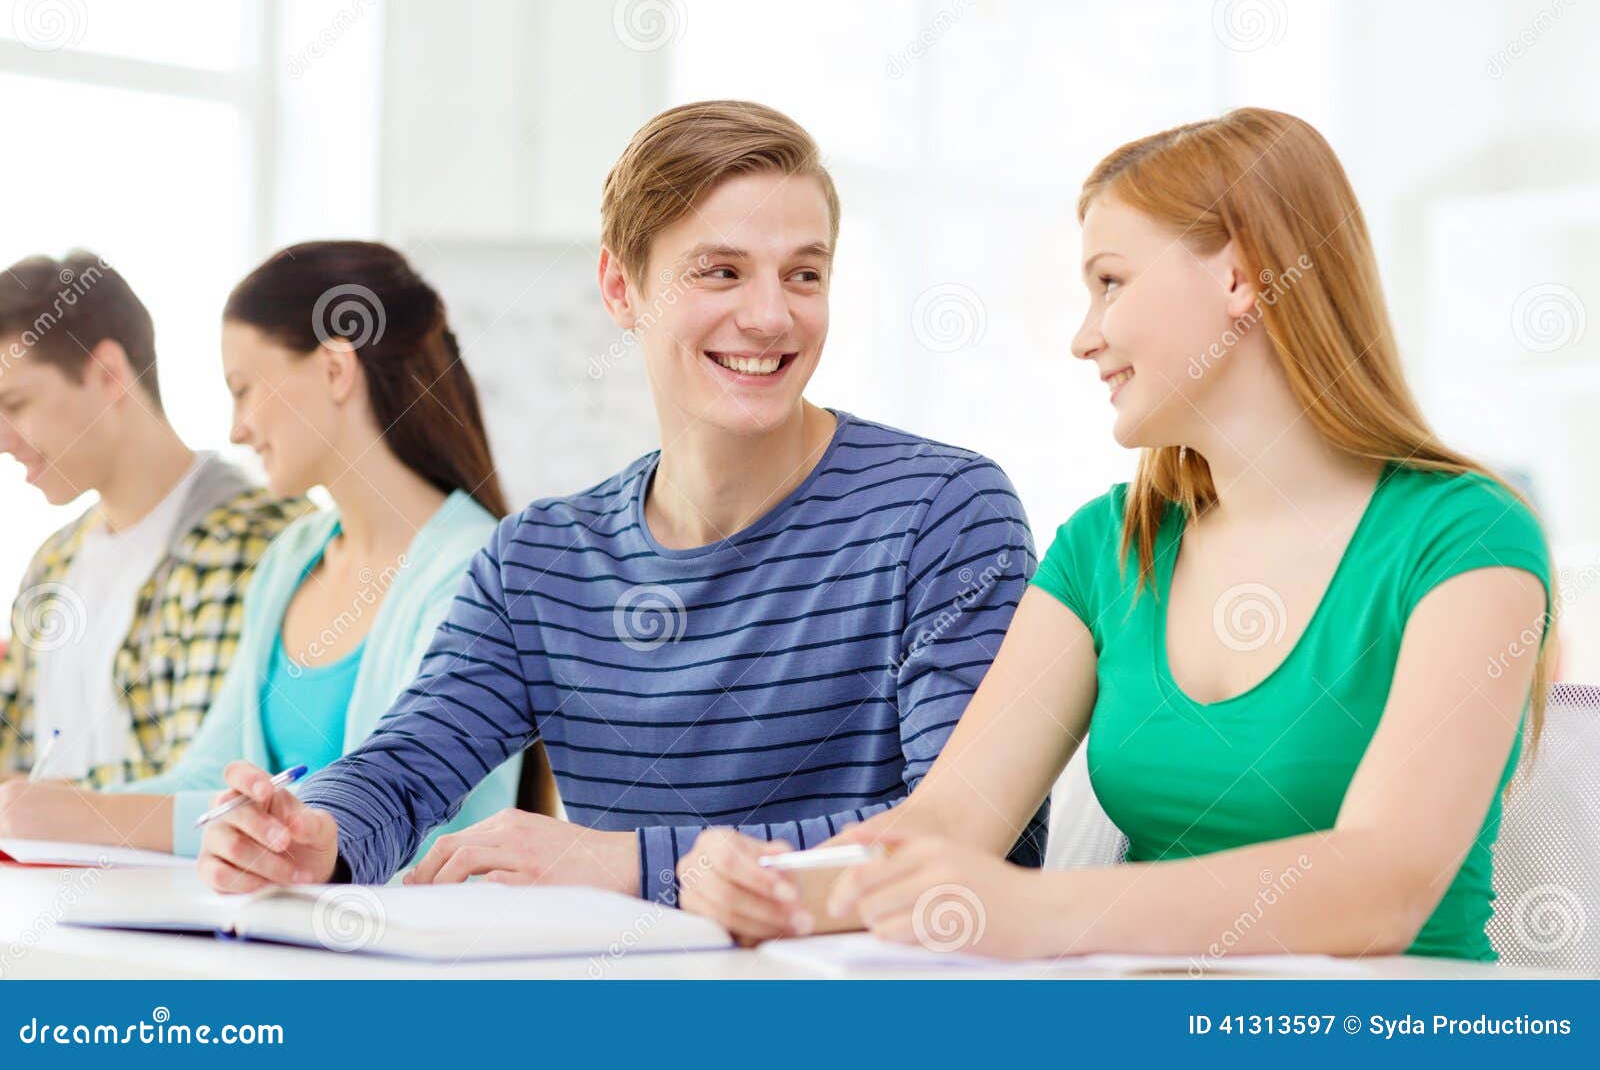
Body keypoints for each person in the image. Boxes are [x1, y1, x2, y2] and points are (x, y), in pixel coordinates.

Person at [193, 102, 1048, 937]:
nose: (771, 315)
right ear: (619, 287)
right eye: (721, 271)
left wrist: (629, 863)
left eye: (804, 274)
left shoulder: (946, 513)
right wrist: (315, 835)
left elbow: (966, 840)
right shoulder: (539, 558)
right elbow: (406, 766)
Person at [826, 108, 1554, 963]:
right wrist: (770, 887)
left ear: (1240, 278)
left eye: (1111, 281)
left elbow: (1381, 887)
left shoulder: (1467, 537)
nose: (1084, 337)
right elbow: (947, 822)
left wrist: (1034, 911)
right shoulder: (1105, 548)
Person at [0, 242, 522, 856]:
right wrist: (66, 811)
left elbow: (419, 819)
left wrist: (91, 819)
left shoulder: (475, 570)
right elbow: (209, 778)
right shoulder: (293, 556)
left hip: (390, 919)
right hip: (274, 918)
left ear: (335, 371)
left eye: (244, 389)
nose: (236, 429)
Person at [0, 251, 305, 787]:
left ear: (108, 374)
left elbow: (200, 784)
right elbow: (15, 753)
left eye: (15, 403)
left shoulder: (252, 542)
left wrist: (31, 802)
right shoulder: (54, 560)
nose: (4, 441)